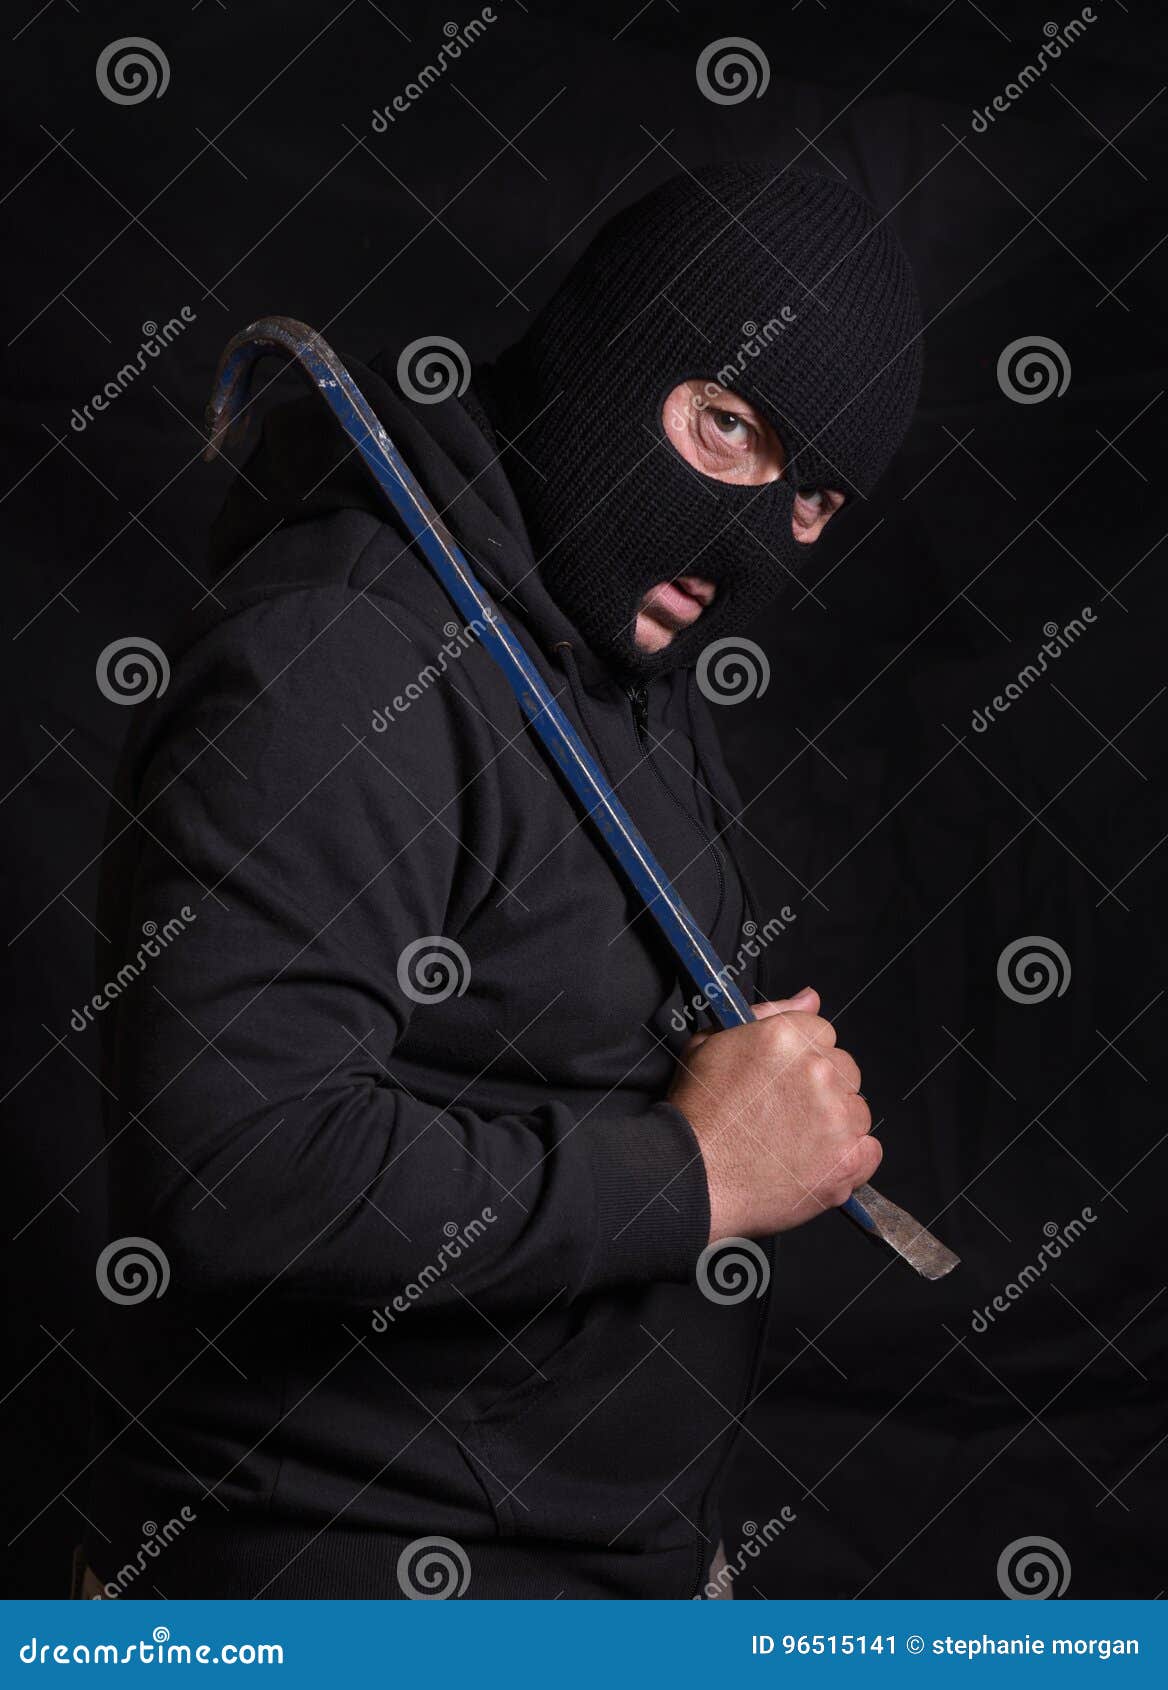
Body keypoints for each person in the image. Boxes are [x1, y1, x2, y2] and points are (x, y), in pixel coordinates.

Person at [81, 163, 922, 1600]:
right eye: (727, 425)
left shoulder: (606, 646)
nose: (745, 541)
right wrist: (699, 1167)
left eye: (810, 496)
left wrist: (728, 1082)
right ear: (609, 349)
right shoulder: (342, 656)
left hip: (605, 1567)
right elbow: (233, 1165)